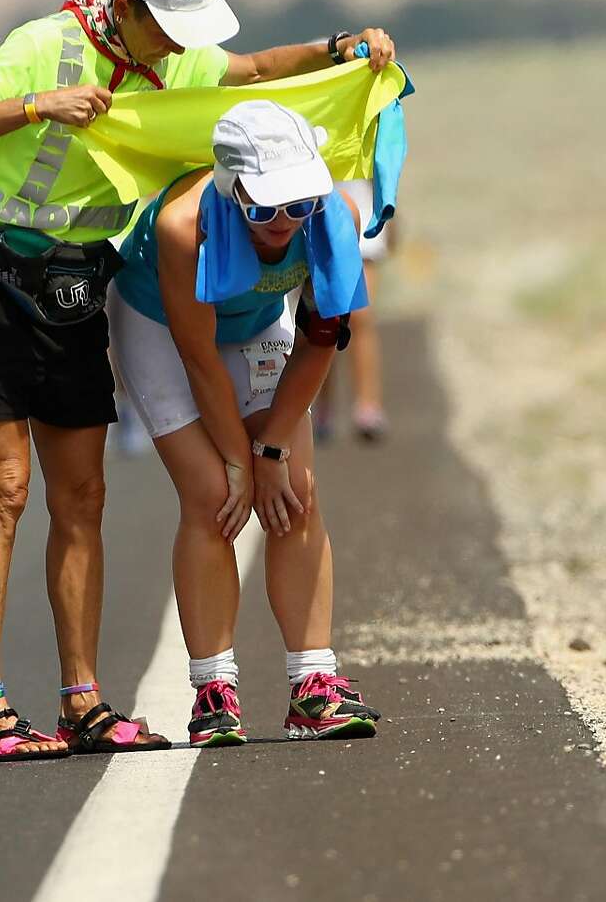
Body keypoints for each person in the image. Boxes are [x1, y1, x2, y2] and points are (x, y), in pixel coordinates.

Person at [0, 0, 393, 760]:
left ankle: (84, 704)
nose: (183, 44)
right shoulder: (44, 44)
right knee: (5, 487)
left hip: (75, 281)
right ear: (126, 4)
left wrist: (339, 47)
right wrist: (37, 106)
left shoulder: (178, 57)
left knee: (84, 496)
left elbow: (249, 73)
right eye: (170, 23)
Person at [107, 101, 385, 746]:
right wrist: (241, 460)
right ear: (232, 190)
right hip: (162, 329)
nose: (283, 222)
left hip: (258, 325)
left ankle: (315, 686)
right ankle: (212, 688)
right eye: (262, 209)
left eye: (296, 204)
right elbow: (198, 357)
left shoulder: (333, 214)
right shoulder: (185, 226)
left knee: (294, 496)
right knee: (214, 498)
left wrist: (271, 451)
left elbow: (321, 338)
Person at [314, 177, 391, 444]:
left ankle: (368, 406)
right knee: (327, 315)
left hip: (363, 201)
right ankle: (323, 405)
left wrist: (392, 209)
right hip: (319, 198)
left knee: (361, 314)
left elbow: (382, 160)